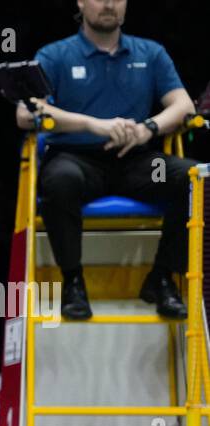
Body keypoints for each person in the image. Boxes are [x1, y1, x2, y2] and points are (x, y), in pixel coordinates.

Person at [16, 0, 198, 320]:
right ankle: (73, 282)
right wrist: (91, 124)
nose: (109, 4)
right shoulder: (55, 54)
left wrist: (147, 129)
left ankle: (162, 278)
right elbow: (26, 112)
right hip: (75, 159)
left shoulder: (150, 53)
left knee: (192, 178)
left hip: (136, 161)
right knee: (60, 181)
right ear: (81, 3)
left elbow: (184, 106)